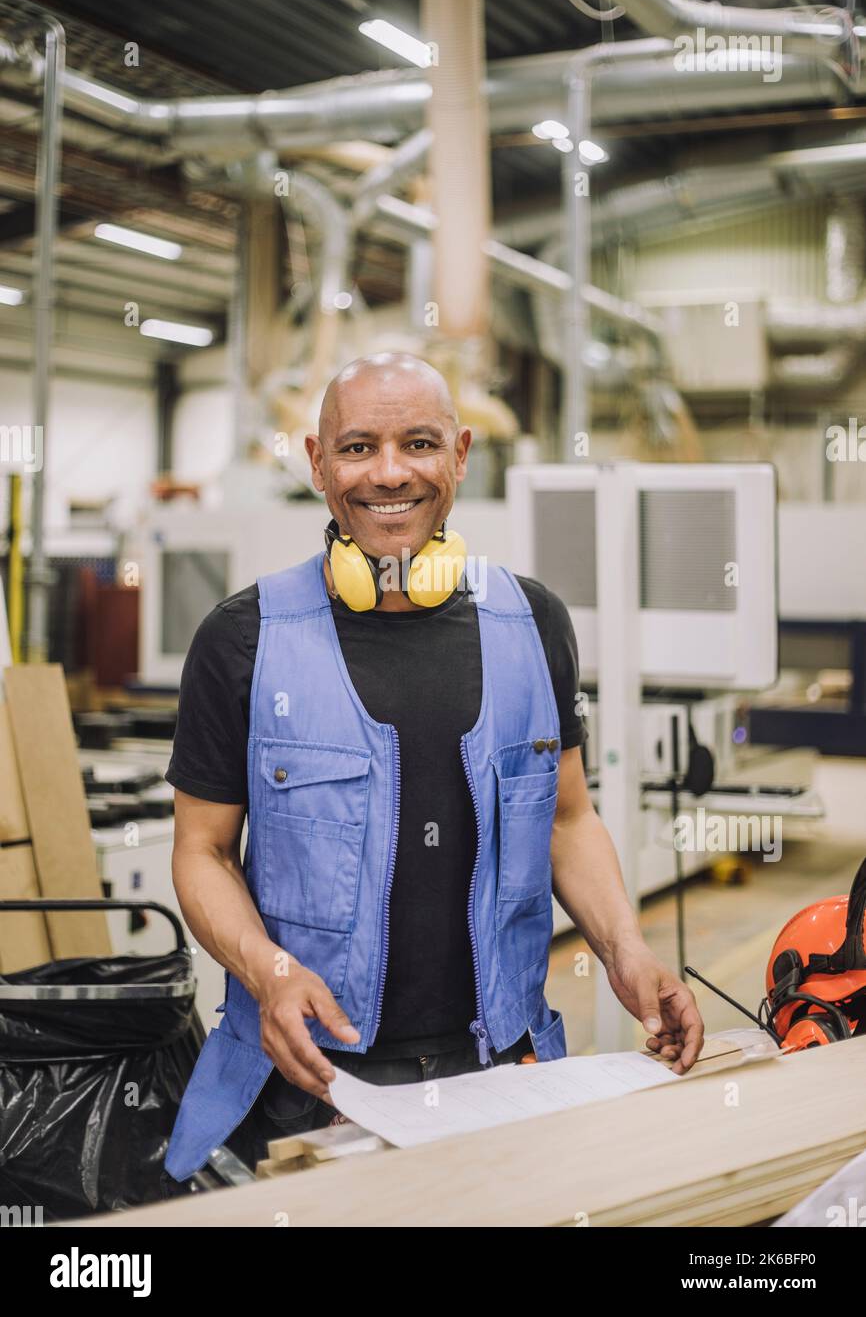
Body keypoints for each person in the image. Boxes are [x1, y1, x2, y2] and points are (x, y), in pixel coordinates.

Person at [162, 352, 704, 1181]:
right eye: (356, 447)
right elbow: (200, 851)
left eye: (418, 443)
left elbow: (566, 817)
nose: (389, 474)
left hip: (503, 1073)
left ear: (460, 455)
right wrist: (269, 973)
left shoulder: (533, 623)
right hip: (309, 1081)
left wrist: (625, 947)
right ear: (316, 462)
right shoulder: (243, 640)